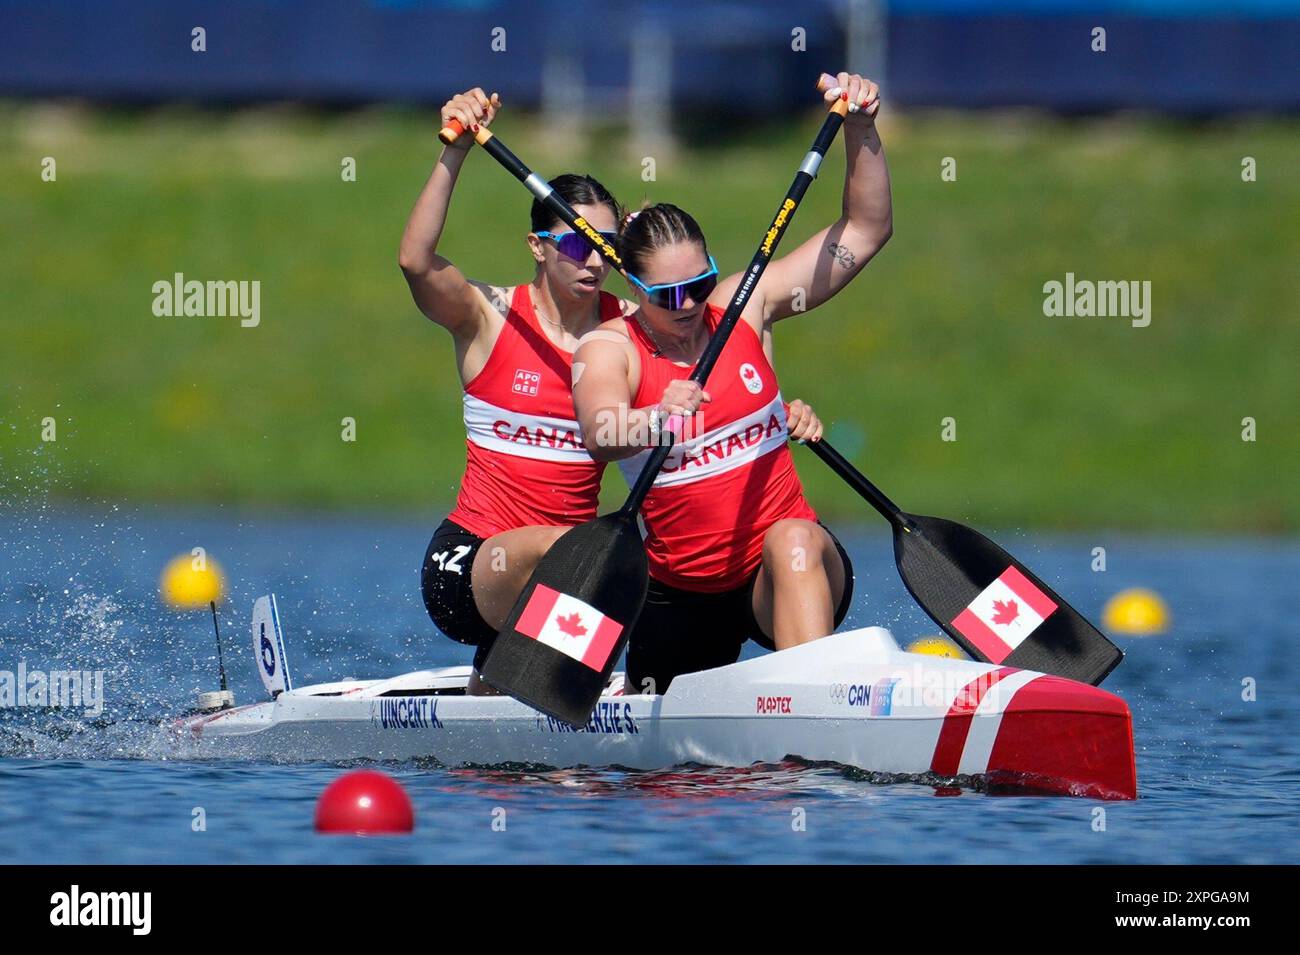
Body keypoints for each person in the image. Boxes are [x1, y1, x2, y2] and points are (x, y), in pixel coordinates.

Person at [400, 86, 832, 693]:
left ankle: (509, 685)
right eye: (575, 243)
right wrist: (455, 151)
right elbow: (416, 264)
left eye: (603, 247)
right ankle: (521, 676)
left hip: (579, 573)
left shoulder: (631, 332)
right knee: (571, 551)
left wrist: (769, 413)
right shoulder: (489, 316)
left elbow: (714, 376)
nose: (592, 261)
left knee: (589, 559)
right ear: (537, 247)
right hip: (477, 562)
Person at [571, 72, 892, 693]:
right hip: (679, 595)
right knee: (671, 792)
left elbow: (865, 230)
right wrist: (653, 418)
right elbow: (599, 432)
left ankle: (815, 708)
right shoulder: (611, 349)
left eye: (700, 282)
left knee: (796, 538)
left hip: (783, 581)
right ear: (633, 289)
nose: (690, 303)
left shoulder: (747, 307)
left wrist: (861, 127)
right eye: (669, 295)